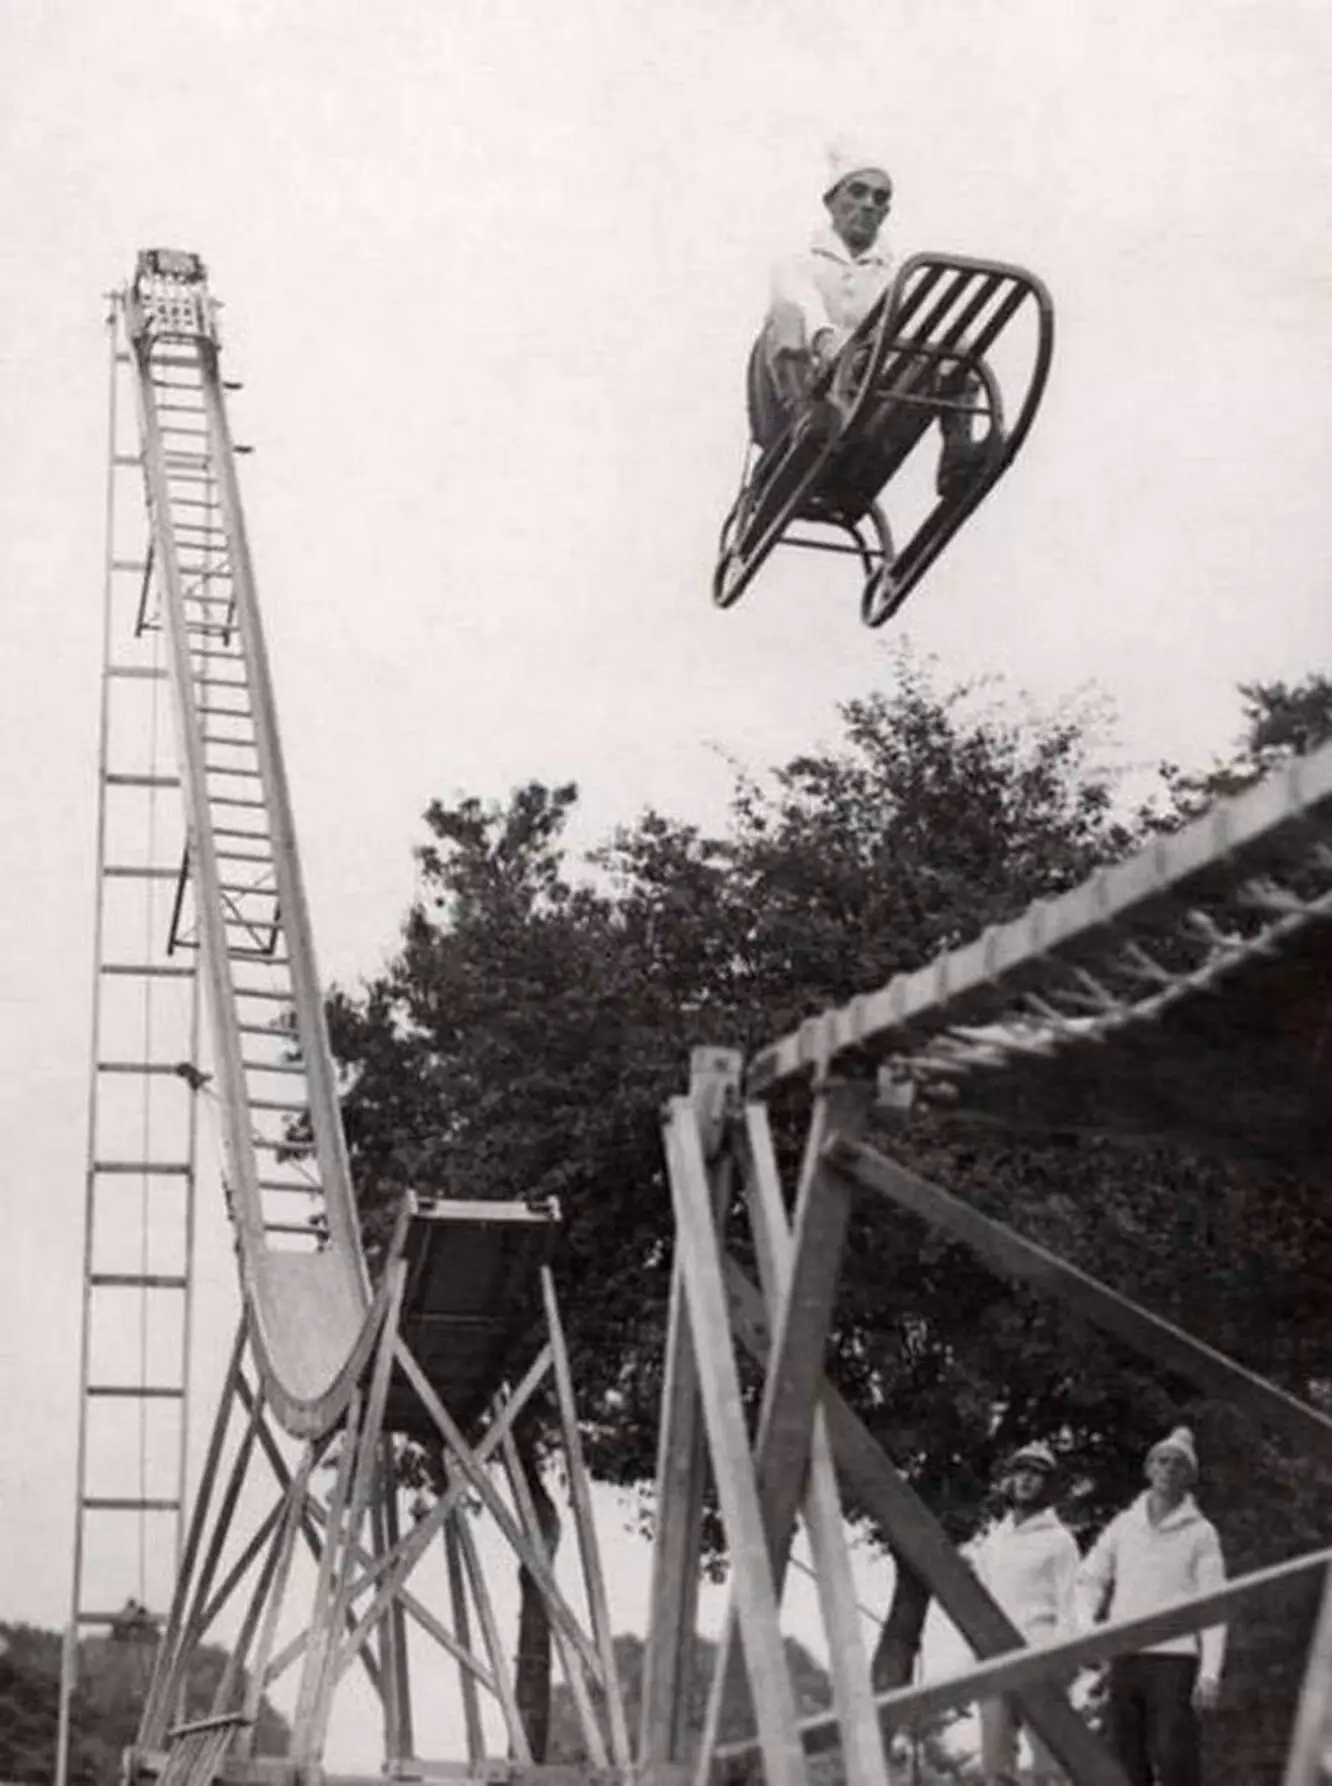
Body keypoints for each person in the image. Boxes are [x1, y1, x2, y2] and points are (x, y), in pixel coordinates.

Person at [753, 140, 985, 495]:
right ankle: (805, 423)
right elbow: (800, 302)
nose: (867, 204)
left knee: (953, 338)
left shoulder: (891, 277)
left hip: (859, 403)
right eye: (857, 192)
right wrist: (826, 341)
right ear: (831, 201)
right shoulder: (798, 264)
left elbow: (914, 328)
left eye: (879, 199)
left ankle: (957, 449)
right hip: (794, 399)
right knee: (784, 316)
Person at [1077, 1427, 1226, 1786]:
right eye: (1161, 1461)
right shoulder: (1125, 1525)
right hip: (1125, 1655)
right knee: (1126, 1756)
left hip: (1175, 1659)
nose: (1168, 1469)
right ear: (1148, 1469)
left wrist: (1210, 1671)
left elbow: (1215, 1605)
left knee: (1175, 1754)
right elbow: (1090, 1579)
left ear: (1189, 1476)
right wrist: (1087, 1632)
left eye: (1178, 1464)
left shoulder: (1201, 1532)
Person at [967, 1440, 1080, 1786]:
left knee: (1050, 1764)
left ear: (1048, 1485)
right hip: (995, 1660)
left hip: (1040, 1655)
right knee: (997, 1767)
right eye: (1021, 1471)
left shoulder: (1060, 1541)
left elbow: (1070, 1605)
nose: (1027, 1480)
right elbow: (980, 1602)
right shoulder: (994, 1540)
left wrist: (1064, 1661)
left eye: (1037, 1474)